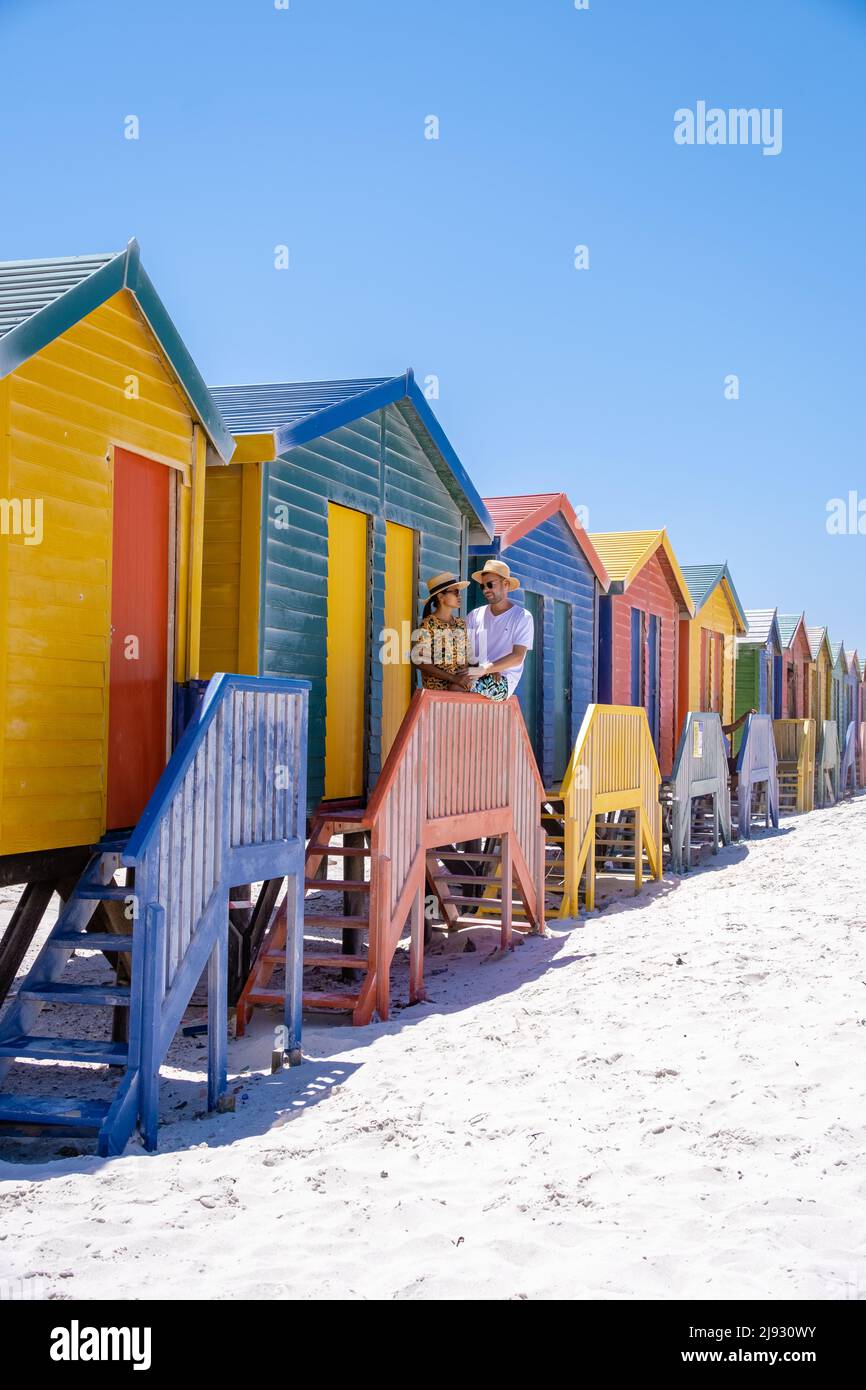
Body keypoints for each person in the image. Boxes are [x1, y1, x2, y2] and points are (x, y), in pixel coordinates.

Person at [464, 559, 534, 702]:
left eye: (490, 584)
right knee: (448, 682)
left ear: (506, 584)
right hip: (477, 673)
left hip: (503, 681)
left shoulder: (522, 617)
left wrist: (489, 669)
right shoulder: (474, 615)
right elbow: (466, 653)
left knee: (458, 686)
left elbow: (518, 657)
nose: (485, 590)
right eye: (482, 586)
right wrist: (484, 670)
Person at [415, 572, 472, 691]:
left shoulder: (461, 624)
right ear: (441, 597)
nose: (459, 596)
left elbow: (466, 659)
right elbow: (420, 661)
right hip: (438, 692)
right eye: (455, 592)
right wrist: (453, 679)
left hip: (460, 687)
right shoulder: (429, 624)